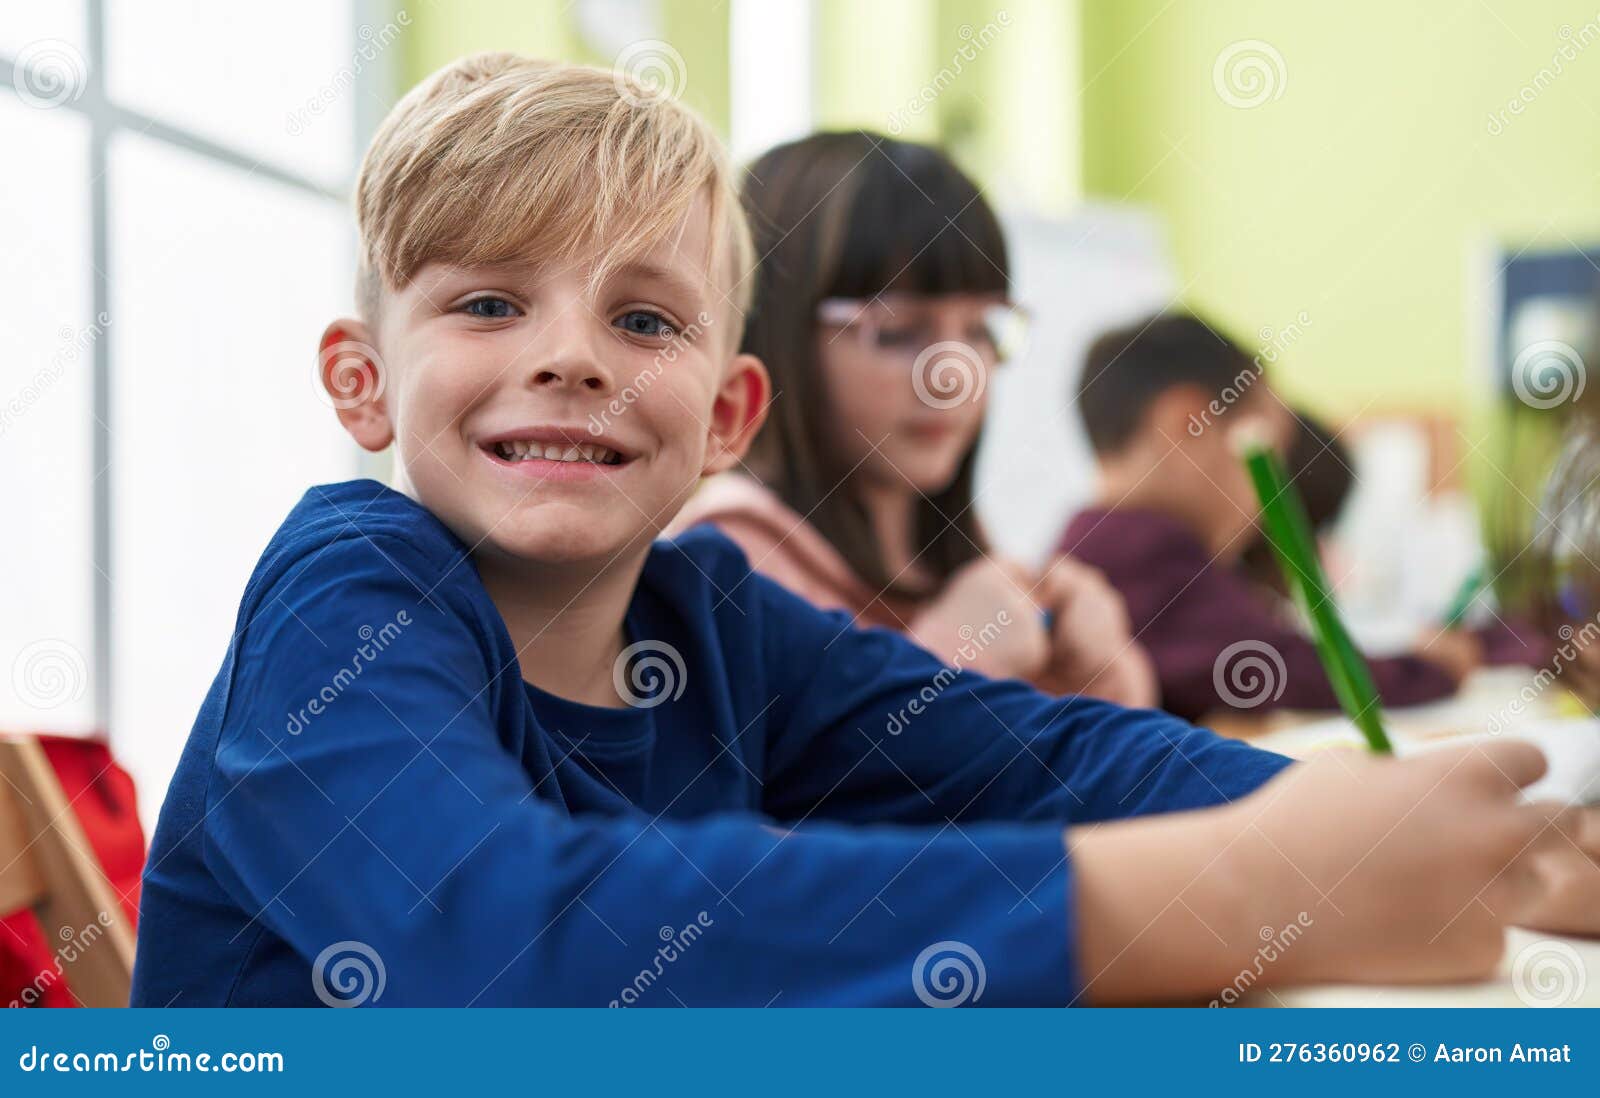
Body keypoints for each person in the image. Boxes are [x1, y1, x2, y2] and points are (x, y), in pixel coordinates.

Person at [132, 55, 1600, 1008]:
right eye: (487, 301)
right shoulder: (348, 597)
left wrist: (1465, 845)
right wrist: (1250, 883)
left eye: (644, 317)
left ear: (724, 413)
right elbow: (509, 938)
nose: (570, 355)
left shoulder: (712, 616)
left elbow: (1050, 756)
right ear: (362, 379)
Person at [672, 132, 1154, 706]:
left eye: (982, 330)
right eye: (897, 331)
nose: (957, 375)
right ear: (772, 337)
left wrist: (1100, 674)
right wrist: (951, 657)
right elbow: (789, 789)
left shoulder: (955, 555)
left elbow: (1086, 782)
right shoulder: (732, 564)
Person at [1059, 312, 1481, 721]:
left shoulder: (1096, 545)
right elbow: (1290, 670)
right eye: (1267, 452)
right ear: (1188, 423)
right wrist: (1426, 671)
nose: (1270, 494)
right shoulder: (1147, 553)